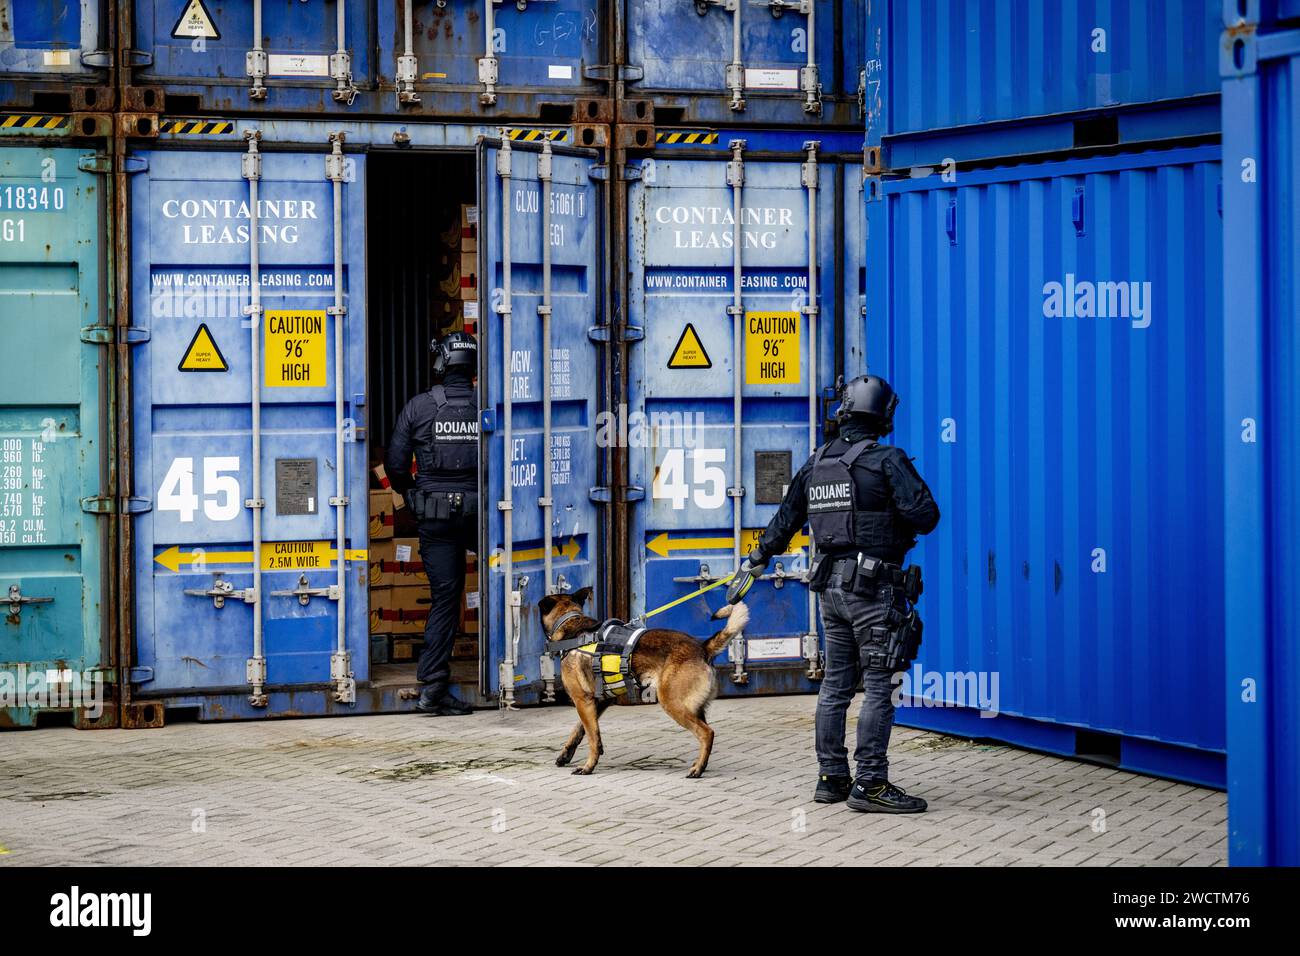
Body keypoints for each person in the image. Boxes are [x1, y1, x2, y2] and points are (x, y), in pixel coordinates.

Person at [726, 374, 940, 812]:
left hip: (829, 590)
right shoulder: (887, 459)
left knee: (836, 683)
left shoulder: (817, 462)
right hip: (874, 588)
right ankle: (872, 785)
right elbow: (926, 515)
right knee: (881, 683)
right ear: (883, 414)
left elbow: (783, 522)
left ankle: (831, 778)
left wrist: (755, 560)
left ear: (845, 411)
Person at [385, 331, 479, 716]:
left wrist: (412, 494)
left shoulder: (419, 408)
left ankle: (434, 688)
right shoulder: (488, 405)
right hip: (483, 517)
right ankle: (517, 671)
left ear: (442, 363)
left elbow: (394, 463)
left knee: (444, 598)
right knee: (504, 585)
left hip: (435, 519)